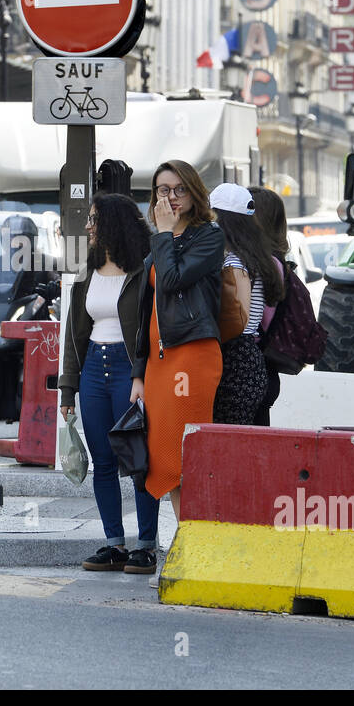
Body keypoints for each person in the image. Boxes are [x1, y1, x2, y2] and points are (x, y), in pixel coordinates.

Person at [59, 193, 158, 574]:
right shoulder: (87, 272)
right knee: (103, 461)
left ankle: (146, 545)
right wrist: (68, 389)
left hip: (128, 369)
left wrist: (141, 376)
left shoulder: (144, 269)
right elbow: (73, 336)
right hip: (93, 371)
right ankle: (114, 543)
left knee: (137, 461)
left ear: (114, 224)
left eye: (95, 219)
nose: (88, 226)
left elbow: (152, 327)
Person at [132, 160, 224, 528]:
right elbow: (145, 313)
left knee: (188, 456)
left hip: (192, 355)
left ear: (194, 192)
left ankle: (195, 543)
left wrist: (165, 233)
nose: (170, 197)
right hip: (159, 360)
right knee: (166, 457)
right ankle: (186, 538)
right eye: (162, 190)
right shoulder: (161, 240)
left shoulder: (209, 235)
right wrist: (139, 373)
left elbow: (171, 281)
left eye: (178, 189)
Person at [210, 184, 284, 425]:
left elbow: (236, 321)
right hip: (252, 361)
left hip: (234, 361)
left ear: (221, 220)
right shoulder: (259, 257)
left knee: (227, 442)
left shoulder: (234, 262)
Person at [248, 186, 289, 425]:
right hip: (266, 369)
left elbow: (253, 322)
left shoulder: (265, 264)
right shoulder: (275, 261)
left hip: (255, 367)